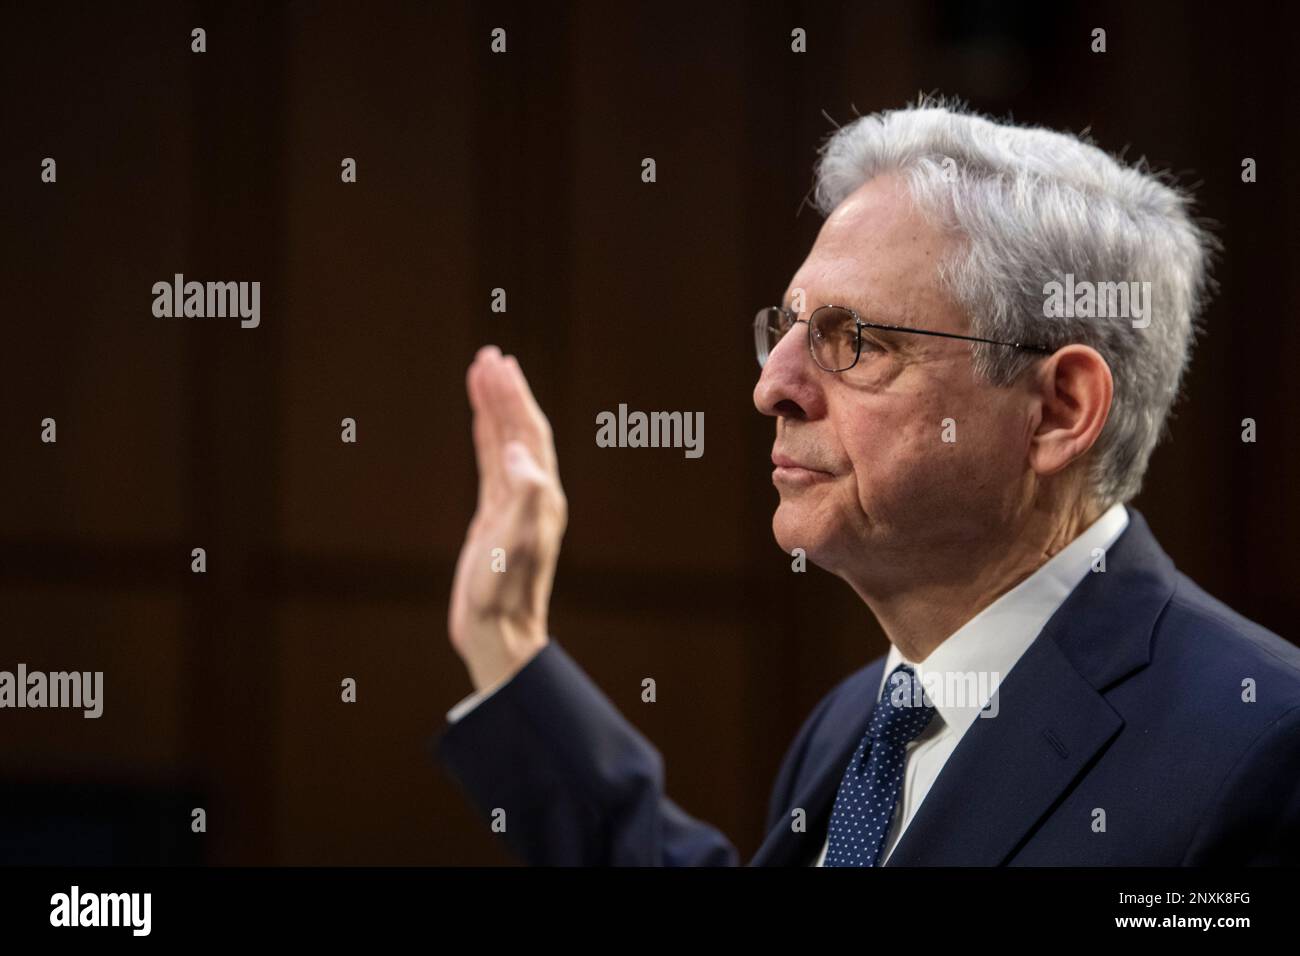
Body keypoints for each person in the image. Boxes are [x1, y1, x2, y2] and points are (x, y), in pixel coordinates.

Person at [431, 100, 1300, 866]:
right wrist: (504, 647)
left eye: (854, 341)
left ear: (1059, 410)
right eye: (788, 326)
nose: (772, 385)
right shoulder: (862, 722)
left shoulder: (1262, 747)